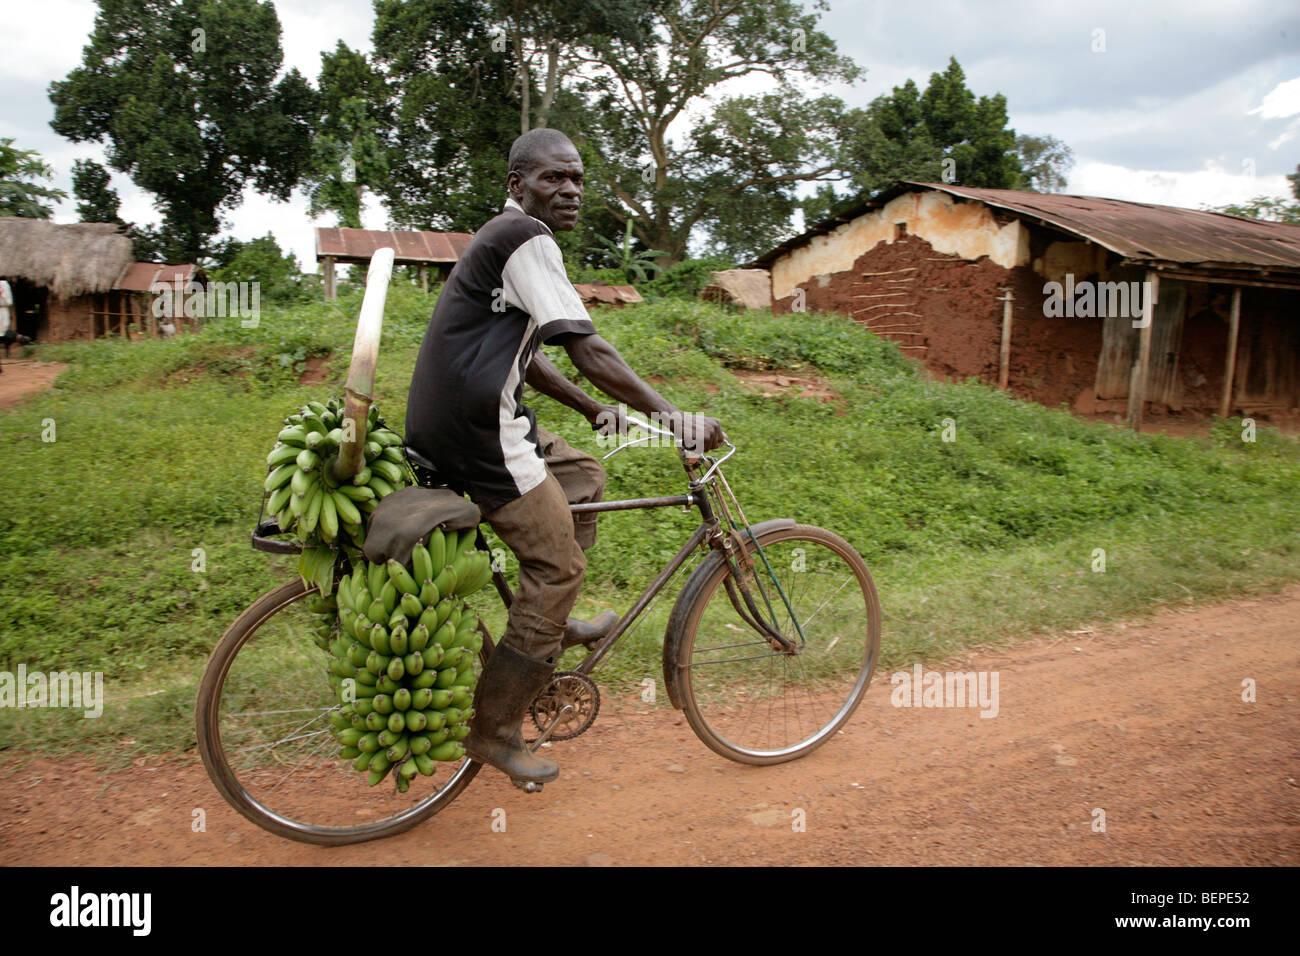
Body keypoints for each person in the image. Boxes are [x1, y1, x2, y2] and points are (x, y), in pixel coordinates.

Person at [405, 128, 724, 786]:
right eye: (553, 178)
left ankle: (548, 623)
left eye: (577, 179)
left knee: (584, 473)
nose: (571, 190)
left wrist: (588, 410)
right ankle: (494, 730)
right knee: (558, 567)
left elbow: (536, 353)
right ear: (518, 185)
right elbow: (587, 346)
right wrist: (676, 418)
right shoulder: (525, 236)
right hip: (478, 432)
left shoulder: (507, 238)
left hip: (460, 420)